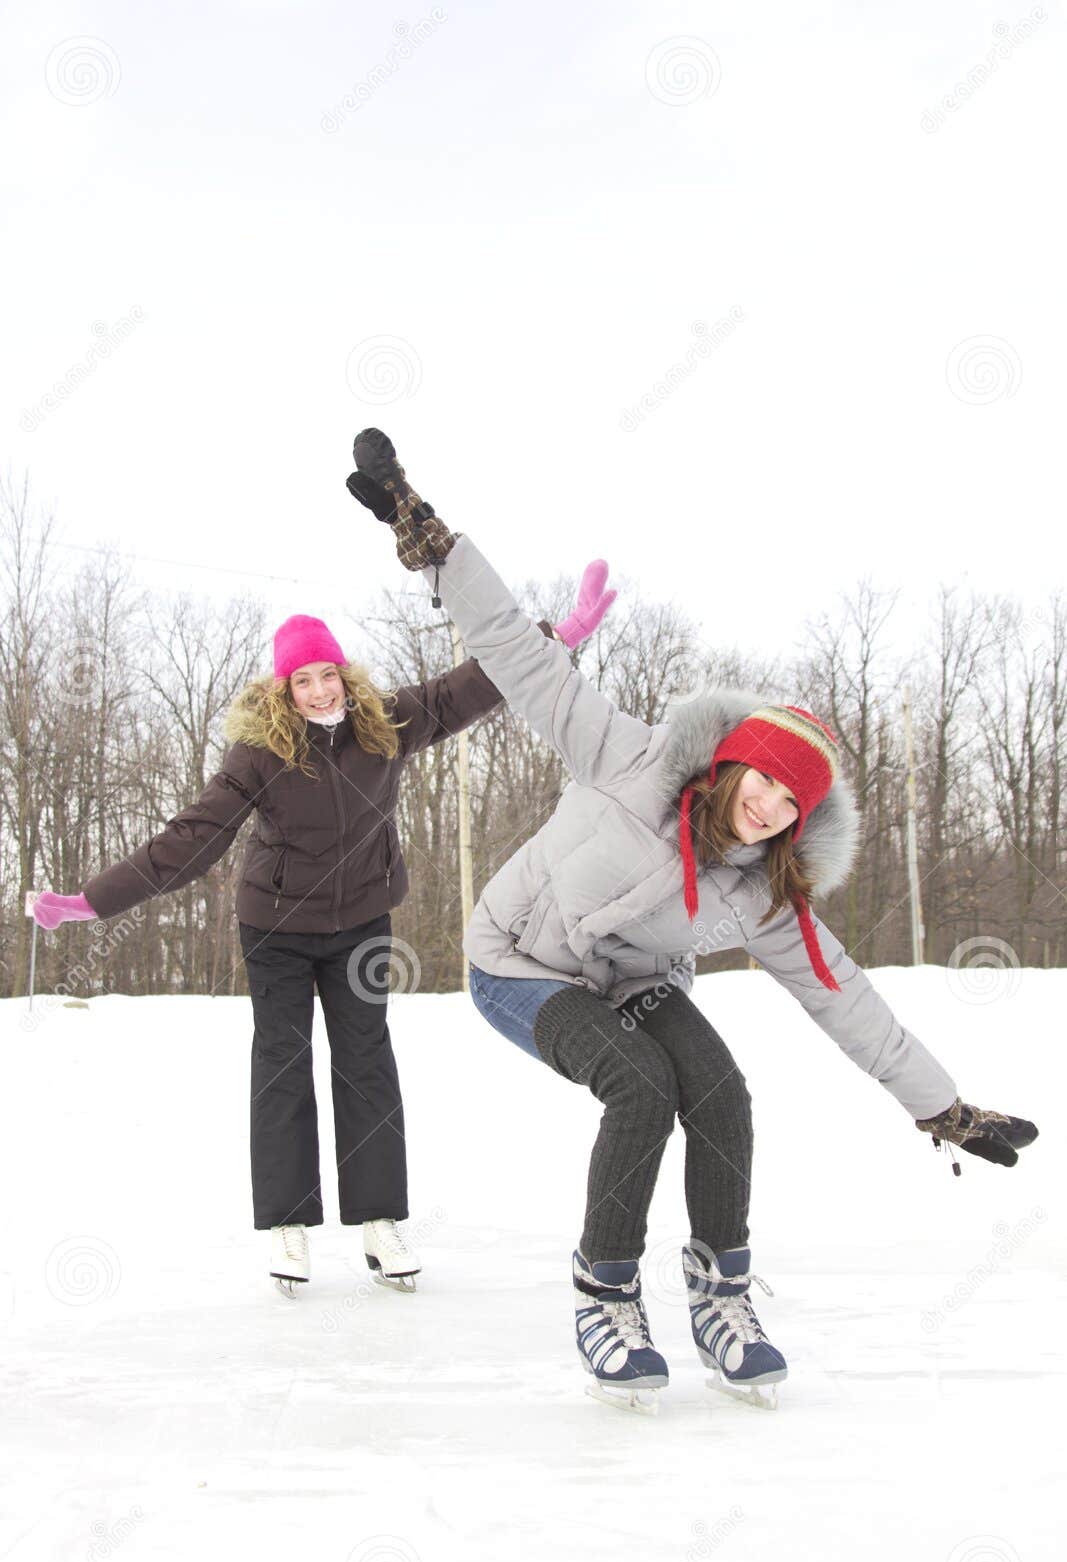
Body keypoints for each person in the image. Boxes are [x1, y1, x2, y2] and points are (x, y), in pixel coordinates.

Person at [347, 428, 1040, 1411]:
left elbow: (843, 996)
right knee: (639, 1085)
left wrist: (940, 1104)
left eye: (788, 804)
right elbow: (510, 649)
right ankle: (604, 1290)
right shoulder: (622, 754)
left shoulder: (764, 888)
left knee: (716, 1089)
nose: (767, 807)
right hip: (517, 964)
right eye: (762, 781)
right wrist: (429, 537)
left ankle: (721, 1294)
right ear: (731, 764)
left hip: (624, 983)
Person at [31, 581, 614, 1297]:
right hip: (274, 928)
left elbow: (473, 683)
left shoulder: (388, 723)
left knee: (366, 1060)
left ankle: (378, 1224)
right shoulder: (258, 754)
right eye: (300, 679)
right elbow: (190, 840)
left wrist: (558, 636)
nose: (315, 689)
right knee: (282, 1063)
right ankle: (290, 1228)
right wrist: (89, 902)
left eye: (325, 673)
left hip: (362, 921)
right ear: (282, 690)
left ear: (344, 674)